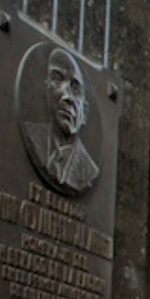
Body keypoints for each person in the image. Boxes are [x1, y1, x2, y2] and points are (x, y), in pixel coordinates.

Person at [21, 46, 100, 196]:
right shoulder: (30, 134)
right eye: (57, 79)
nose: (67, 96)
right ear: (46, 89)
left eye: (75, 88)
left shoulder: (89, 171)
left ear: (85, 111)